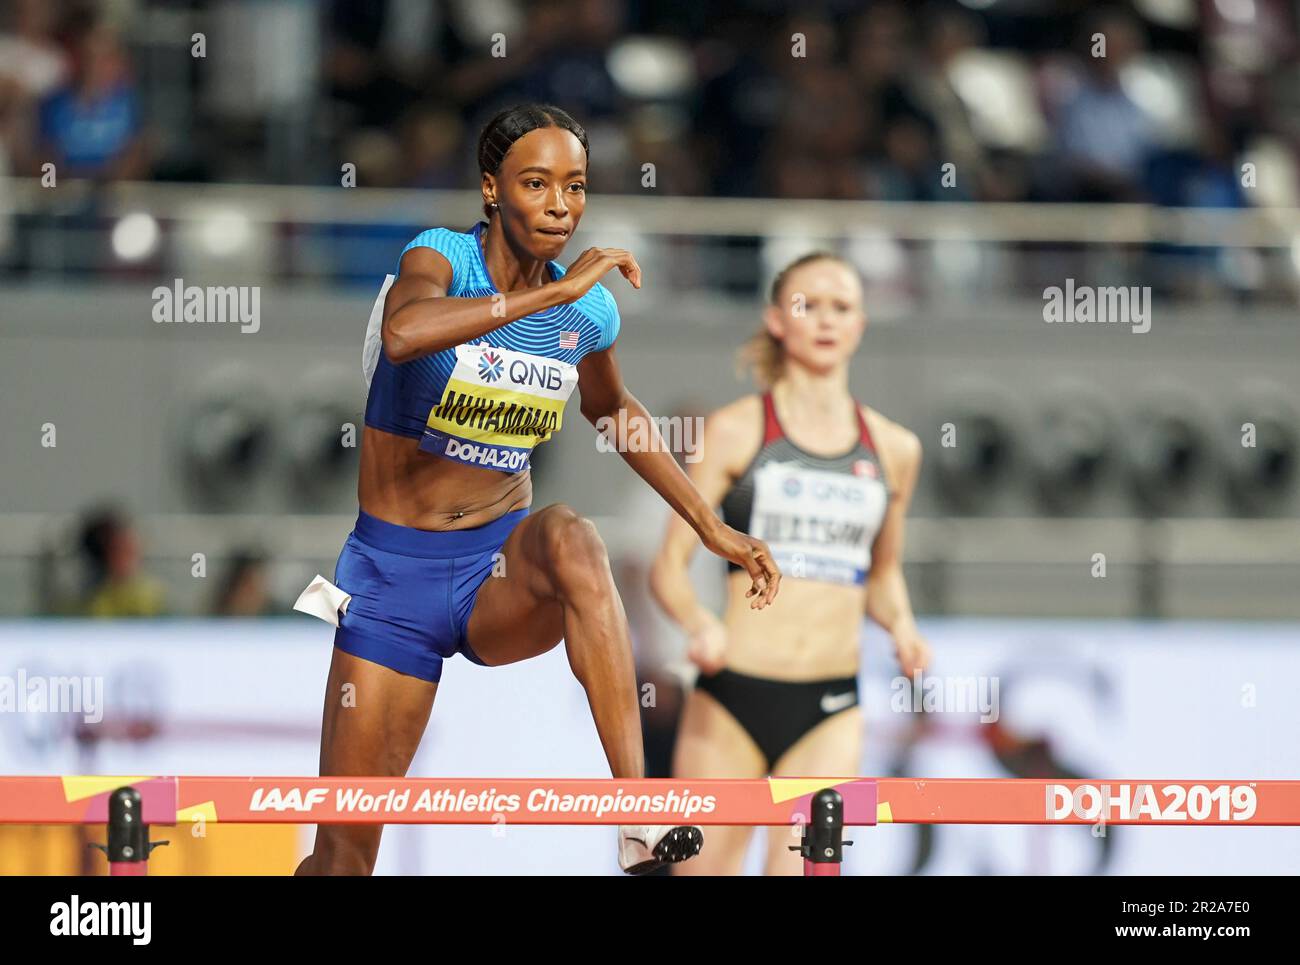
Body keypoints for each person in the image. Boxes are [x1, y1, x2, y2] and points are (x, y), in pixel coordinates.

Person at [295, 104, 780, 876]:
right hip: (392, 580)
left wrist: (709, 524)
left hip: (496, 571)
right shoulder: (442, 257)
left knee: (572, 537)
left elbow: (613, 409)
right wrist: (544, 298)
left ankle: (636, 817)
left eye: (576, 185)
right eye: (536, 182)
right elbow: (403, 332)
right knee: (343, 859)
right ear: (491, 189)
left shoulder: (589, 305)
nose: (561, 204)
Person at [651, 251, 930, 875]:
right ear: (777, 319)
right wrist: (699, 625)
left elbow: (881, 575)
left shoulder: (895, 449)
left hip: (831, 706)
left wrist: (904, 627)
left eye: (844, 307)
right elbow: (667, 566)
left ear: (861, 323)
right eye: (810, 306)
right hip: (732, 697)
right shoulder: (734, 431)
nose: (827, 321)